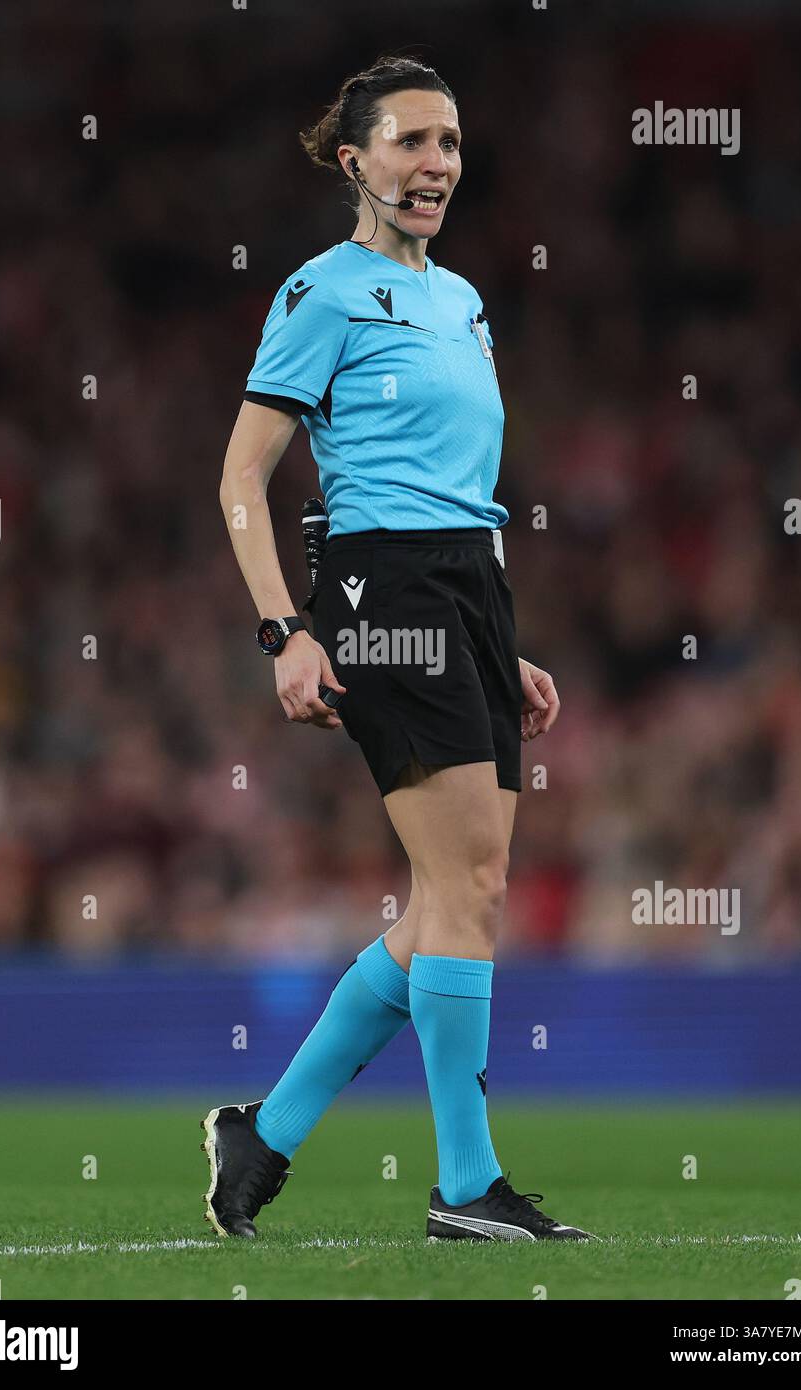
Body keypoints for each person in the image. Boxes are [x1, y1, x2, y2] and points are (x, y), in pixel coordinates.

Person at [206, 54, 593, 1243]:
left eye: (451, 144)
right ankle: (465, 1186)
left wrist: (502, 644)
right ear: (354, 160)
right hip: (382, 589)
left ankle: (260, 1136)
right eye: (412, 142)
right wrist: (286, 630)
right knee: (469, 888)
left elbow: (464, 488)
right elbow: (242, 477)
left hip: (467, 588)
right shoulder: (319, 294)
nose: (436, 165)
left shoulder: (465, 299)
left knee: (446, 903)